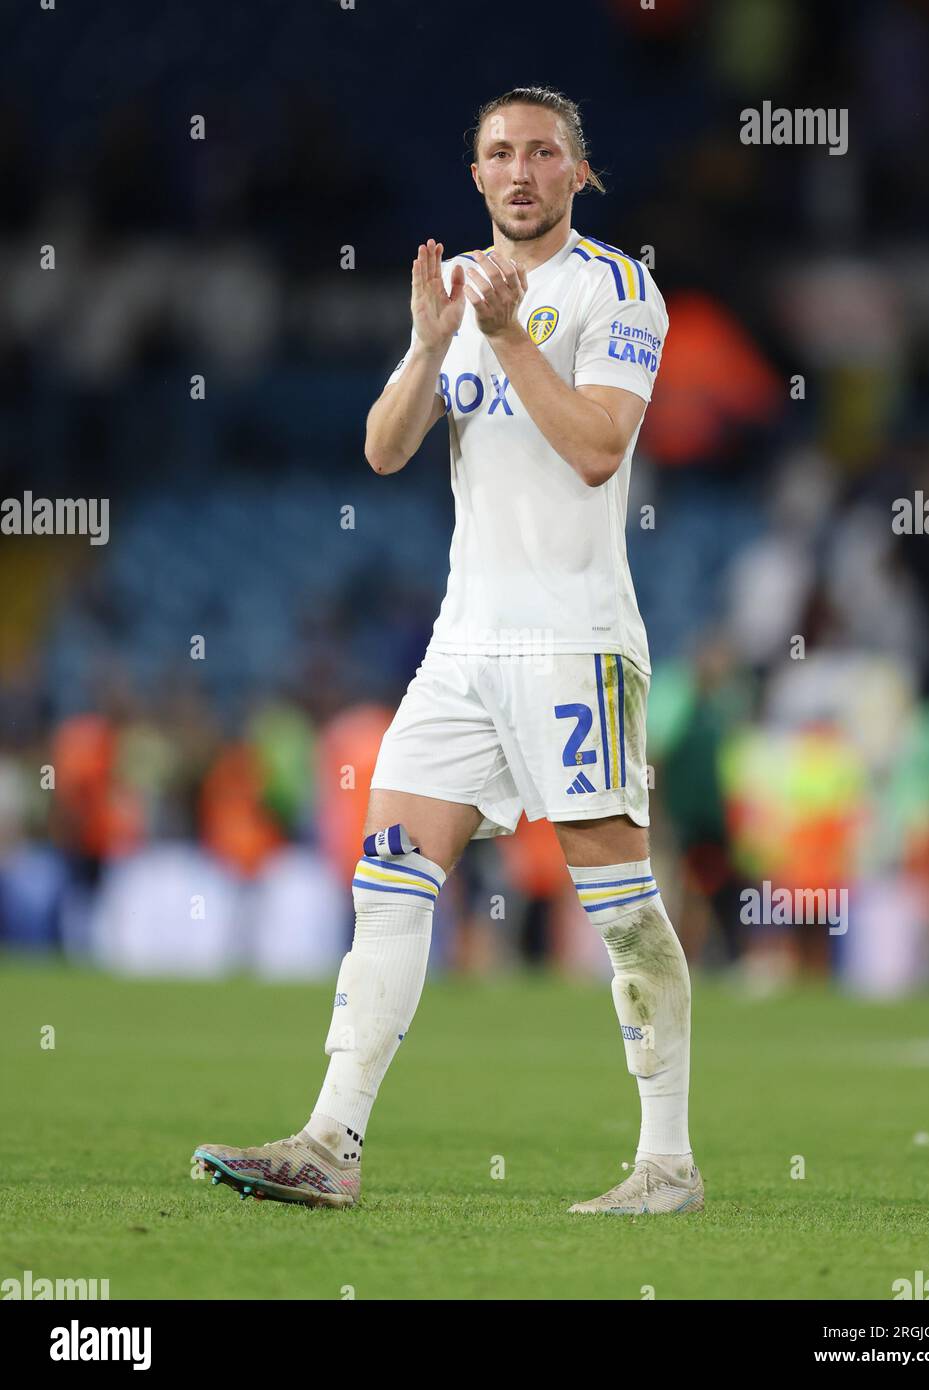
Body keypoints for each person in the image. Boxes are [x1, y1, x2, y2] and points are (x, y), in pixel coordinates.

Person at [193, 87, 703, 1216]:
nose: (520, 170)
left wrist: (512, 341)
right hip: (463, 645)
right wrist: (432, 345)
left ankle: (667, 1160)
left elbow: (596, 448)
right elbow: (382, 449)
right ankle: (332, 1140)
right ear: (475, 176)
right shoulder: (460, 294)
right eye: (498, 153)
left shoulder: (618, 289)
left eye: (543, 152)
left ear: (580, 172)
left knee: (619, 907)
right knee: (389, 878)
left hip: (577, 644)